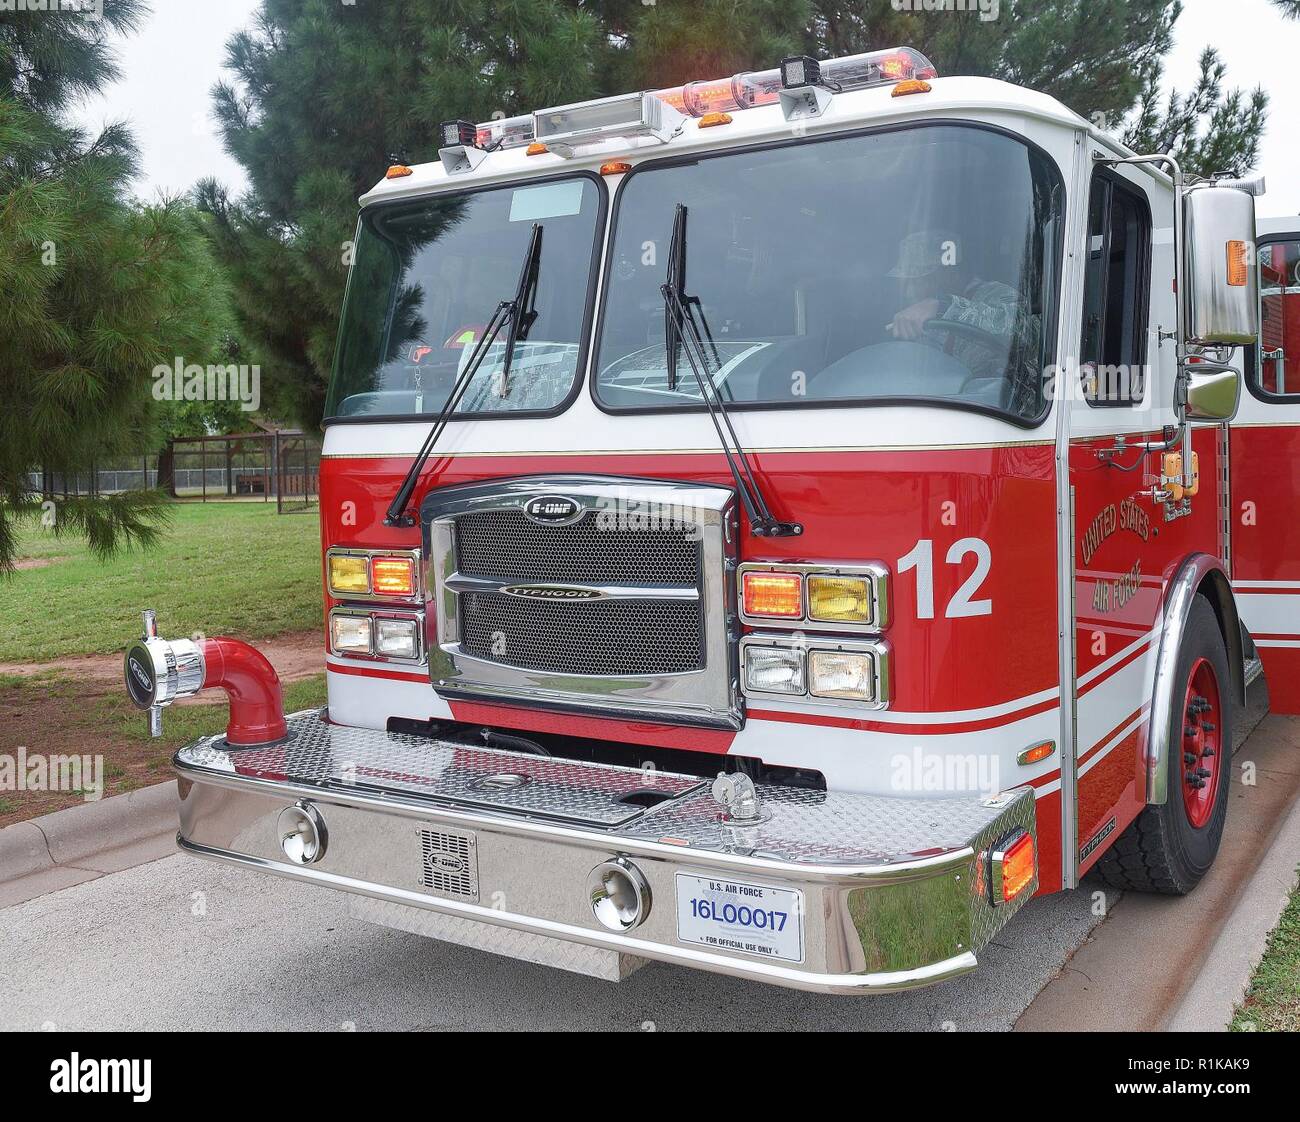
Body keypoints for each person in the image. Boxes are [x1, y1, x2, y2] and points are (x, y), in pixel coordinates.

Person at [885, 230, 1042, 415]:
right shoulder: (914, 315)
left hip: (995, 415)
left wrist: (944, 307)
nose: (909, 292)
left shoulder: (997, 295)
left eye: (919, 281)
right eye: (906, 283)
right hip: (929, 409)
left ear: (949, 272)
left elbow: (1028, 332)